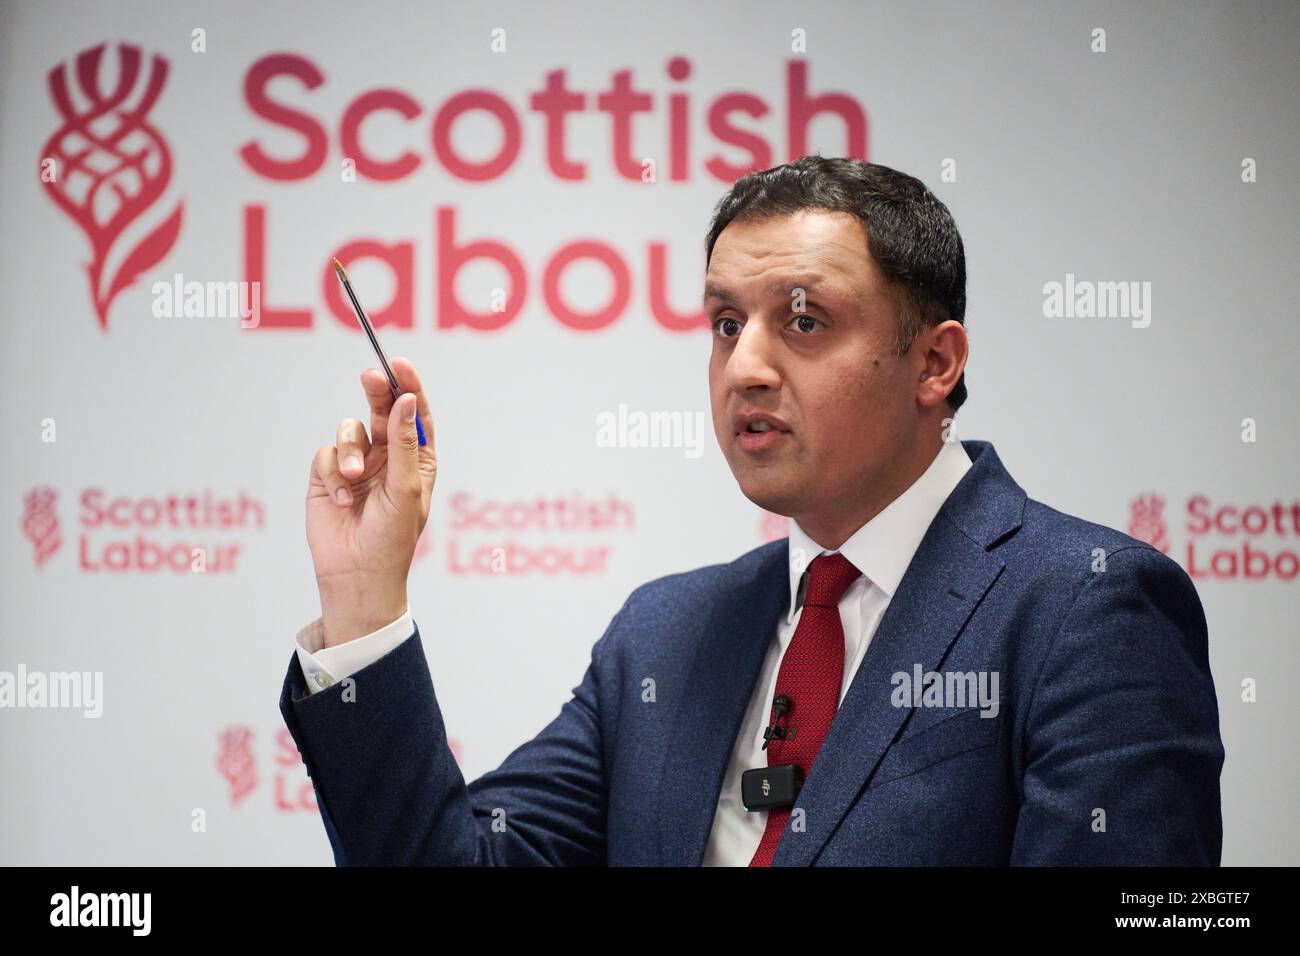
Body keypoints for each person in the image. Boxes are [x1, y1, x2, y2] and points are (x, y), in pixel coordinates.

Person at [280, 156, 1224, 866]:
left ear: (936, 364)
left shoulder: (1088, 608)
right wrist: (366, 601)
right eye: (727, 324)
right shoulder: (665, 635)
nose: (745, 367)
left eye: (804, 321)